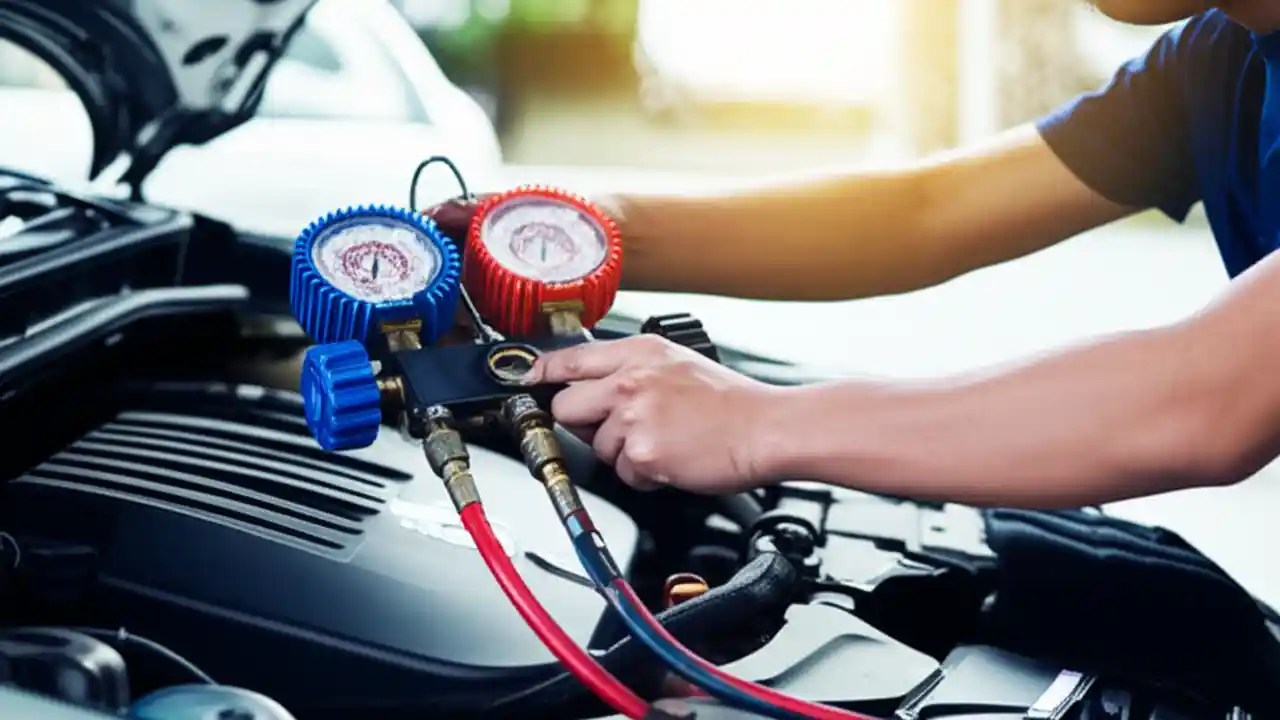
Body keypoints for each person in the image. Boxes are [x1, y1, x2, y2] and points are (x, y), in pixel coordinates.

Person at [431, 0, 1280, 509]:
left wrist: (758, 422)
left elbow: (1207, 395)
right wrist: (586, 232)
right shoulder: (1218, 60)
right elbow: (927, 213)